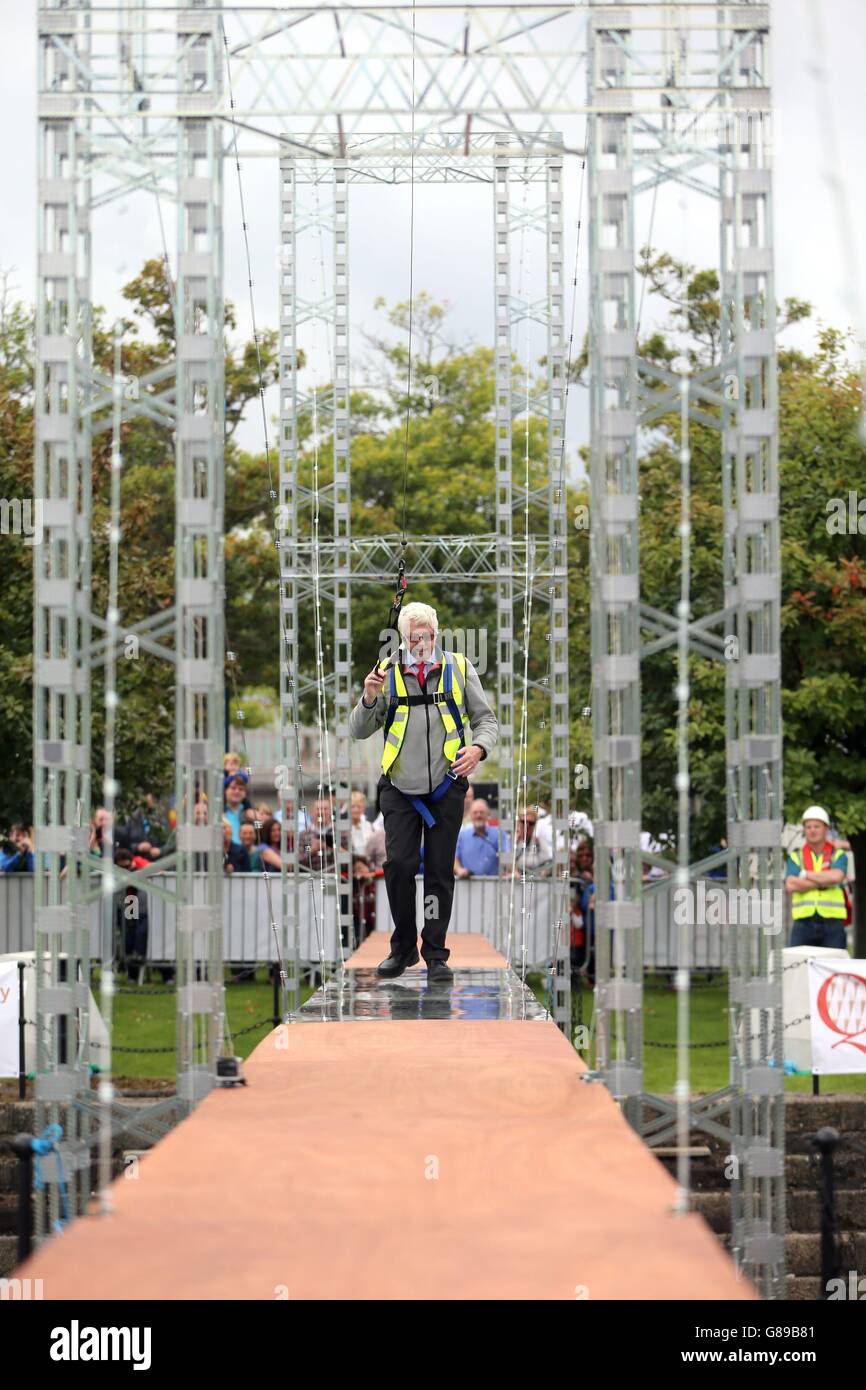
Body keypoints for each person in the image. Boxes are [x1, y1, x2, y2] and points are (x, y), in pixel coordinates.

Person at [349, 600, 499, 982]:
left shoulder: (460, 668)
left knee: (438, 872)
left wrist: (478, 749)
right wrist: (368, 698)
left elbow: (486, 720)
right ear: (403, 637)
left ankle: (435, 952)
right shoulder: (387, 673)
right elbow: (359, 729)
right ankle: (402, 949)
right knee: (398, 865)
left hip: (446, 787)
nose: (419, 643)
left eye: (426, 636)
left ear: (436, 634)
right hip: (399, 788)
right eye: (412, 637)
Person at [785, 805, 849, 950]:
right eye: (808, 827)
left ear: (826, 829)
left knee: (834, 967)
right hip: (803, 922)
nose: (812, 830)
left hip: (832, 922)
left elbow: (836, 877)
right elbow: (790, 885)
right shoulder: (796, 856)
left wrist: (805, 874)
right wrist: (824, 880)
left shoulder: (837, 855)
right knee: (799, 968)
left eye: (816, 826)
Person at [454, 799, 501, 877]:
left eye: (481, 812)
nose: (478, 815)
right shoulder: (462, 836)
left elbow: (507, 857)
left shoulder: (498, 834)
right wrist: (459, 870)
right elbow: (454, 859)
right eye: (475, 813)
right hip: (467, 885)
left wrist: (512, 871)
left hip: (493, 886)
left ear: (488, 814)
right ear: (470, 815)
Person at [223, 771, 250, 846]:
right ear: (226, 791)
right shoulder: (218, 812)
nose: (237, 791)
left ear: (245, 794)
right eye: (233, 788)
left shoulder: (249, 813)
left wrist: (259, 820)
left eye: (241, 789)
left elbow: (260, 830)